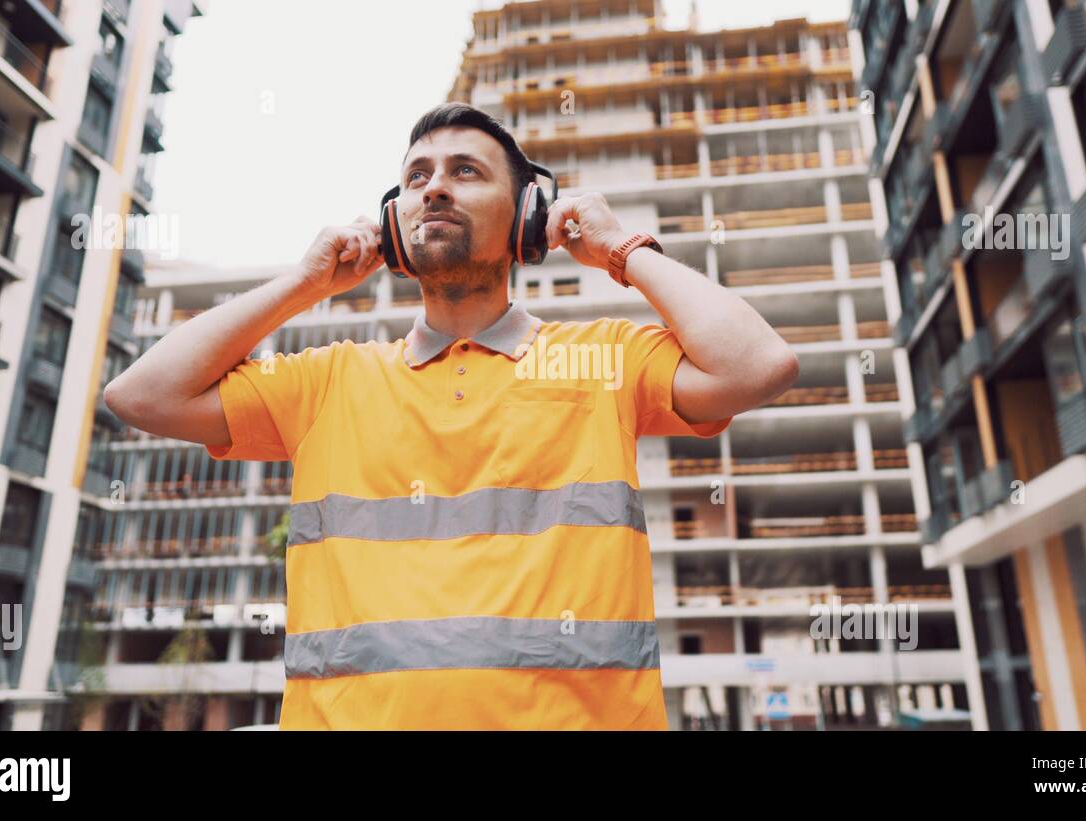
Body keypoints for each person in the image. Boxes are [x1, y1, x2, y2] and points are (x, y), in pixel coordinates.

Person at [104, 102, 798, 729]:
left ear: (528, 214)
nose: (434, 187)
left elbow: (757, 366)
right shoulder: (326, 381)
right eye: (415, 177)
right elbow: (142, 395)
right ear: (394, 228)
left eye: (465, 172)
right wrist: (304, 283)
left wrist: (619, 251)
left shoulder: (602, 359)